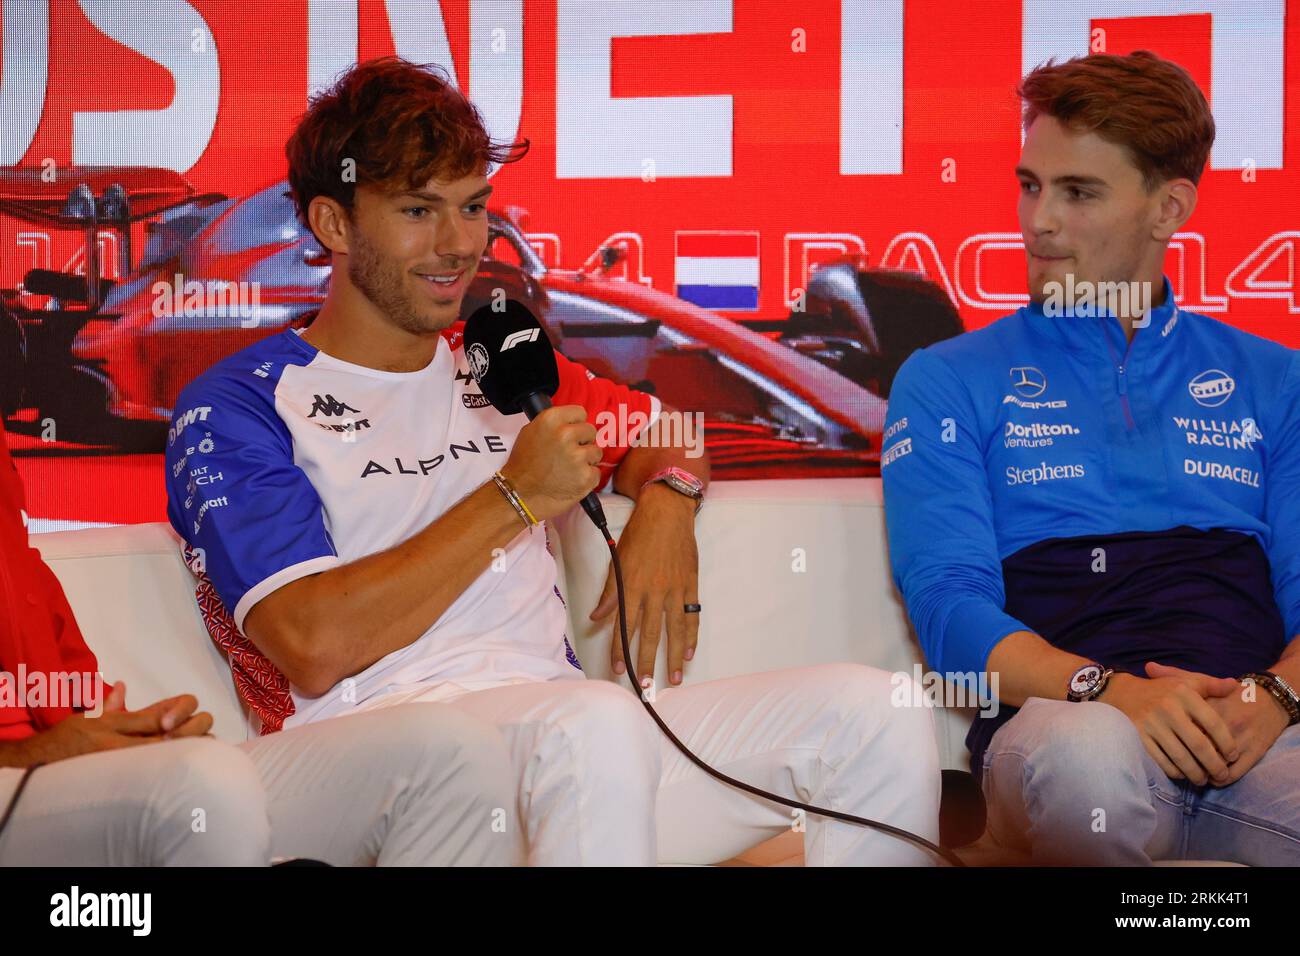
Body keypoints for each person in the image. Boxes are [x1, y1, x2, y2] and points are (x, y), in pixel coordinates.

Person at [165, 56, 941, 866]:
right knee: (592, 723)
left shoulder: (499, 361)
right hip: (367, 758)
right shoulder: (238, 404)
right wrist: (512, 498)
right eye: (417, 210)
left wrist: (670, 502)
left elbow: (668, 432)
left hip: (563, 750)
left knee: (873, 711)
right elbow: (311, 643)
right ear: (331, 224)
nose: (456, 245)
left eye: (472, 208)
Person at [883, 50, 1300, 865]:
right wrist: (1113, 693)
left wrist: (1278, 698)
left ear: (1168, 206)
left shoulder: (1276, 379)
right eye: (1030, 184)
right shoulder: (945, 379)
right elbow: (948, 611)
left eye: (1078, 193)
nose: (1037, 221)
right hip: (1067, 726)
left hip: (1248, 736)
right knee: (1087, 762)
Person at [1, 429, 519, 867]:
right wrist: (34, 754)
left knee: (448, 751)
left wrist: (121, 735)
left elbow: (49, 663)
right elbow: (312, 649)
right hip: (20, 777)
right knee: (202, 783)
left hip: (56, 777)